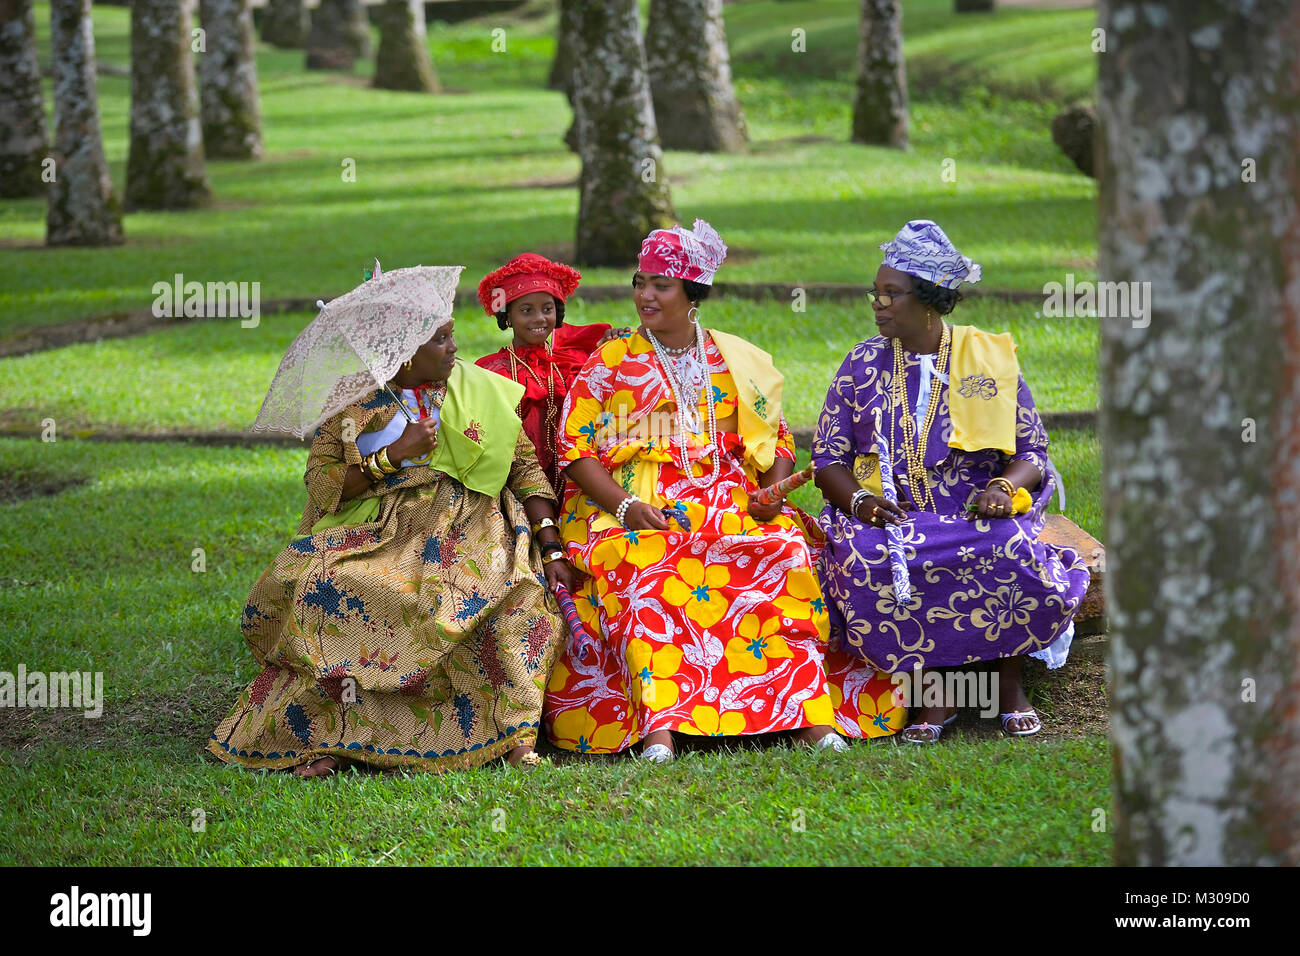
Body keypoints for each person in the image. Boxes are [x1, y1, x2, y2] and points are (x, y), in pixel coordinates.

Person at [208, 296, 574, 777]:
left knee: (518, 596)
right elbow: (322, 486)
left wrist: (549, 542)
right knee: (324, 588)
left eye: (451, 334)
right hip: (384, 526)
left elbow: (525, 469)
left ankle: (514, 734)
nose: (454, 347)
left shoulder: (478, 388)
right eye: (440, 339)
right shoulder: (355, 401)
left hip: (475, 521)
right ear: (403, 353)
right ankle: (333, 738)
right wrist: (393, 455)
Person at [542, 218, 858, 762]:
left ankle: (808, 713)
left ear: (693, 293)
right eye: (639, 282)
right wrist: (625, 506)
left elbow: (775, 439)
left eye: (660, 285)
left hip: (728, 497)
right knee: (646, 566)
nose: (644, 295)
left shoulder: (735, 360)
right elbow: (574, 451)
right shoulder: (612, 361)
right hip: (631, 504)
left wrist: (774, 492)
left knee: (782, 550)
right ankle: (660, 726)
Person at [812, 219, 1091, 743]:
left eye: (891, 294)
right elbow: (828, 457)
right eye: (876, 291)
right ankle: (936, 698)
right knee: (875, 557)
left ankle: (1008, 686)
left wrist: (1003, 489)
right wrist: (861, 503)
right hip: (889, 510)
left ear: (929, 299)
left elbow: (1032, 451)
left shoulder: (986, 359)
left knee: (1005, 545)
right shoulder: (862, 364)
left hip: (973, 509)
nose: (878, 302)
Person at [475, 253, 629, 496]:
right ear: (508, 317)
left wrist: (614, 346)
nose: (539, 318)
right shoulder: (495, 372)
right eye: (526, 310)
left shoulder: (575, 361)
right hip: (519, 487)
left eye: (547, 309)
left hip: (576, 481)